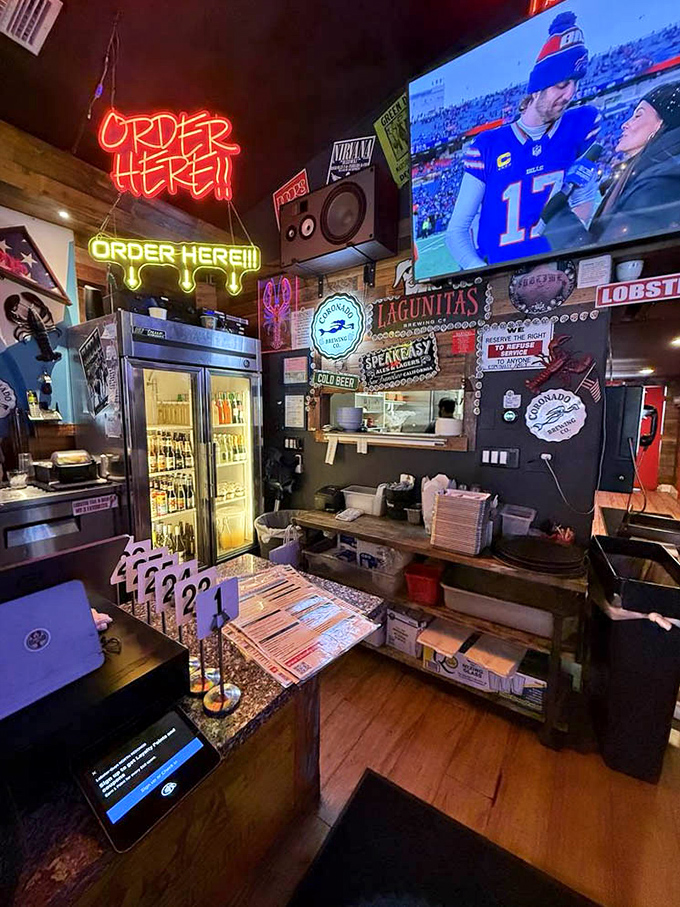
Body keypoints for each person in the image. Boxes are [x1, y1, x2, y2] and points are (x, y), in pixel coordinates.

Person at [447, 11, 601, 270]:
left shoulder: (580, 125)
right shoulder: (488, 145)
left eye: (574, 84)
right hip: (499, 280)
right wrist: (484, 276)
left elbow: (582, 201)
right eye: (562, 84)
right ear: (538, 87)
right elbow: (457, 231)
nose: (569, 94)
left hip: (558, 274)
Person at [543, 81, 680, 249]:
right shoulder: (648, 174)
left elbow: (611, 254)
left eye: (638, 115)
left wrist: (557, 216)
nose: (625, 124)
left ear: (661, 124)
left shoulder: (662, 182)